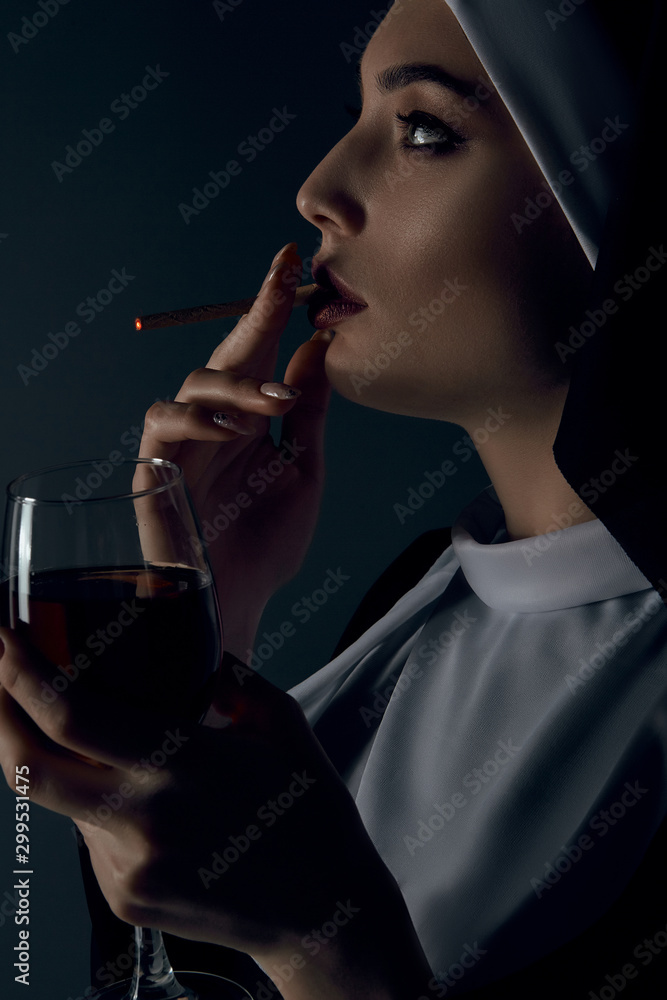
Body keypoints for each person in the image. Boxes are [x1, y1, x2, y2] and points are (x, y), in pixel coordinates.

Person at [1, 1, 665, 997]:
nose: (316, 191)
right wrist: (204, 636)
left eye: (423, 130)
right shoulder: (420, 594)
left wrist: (328, 944)